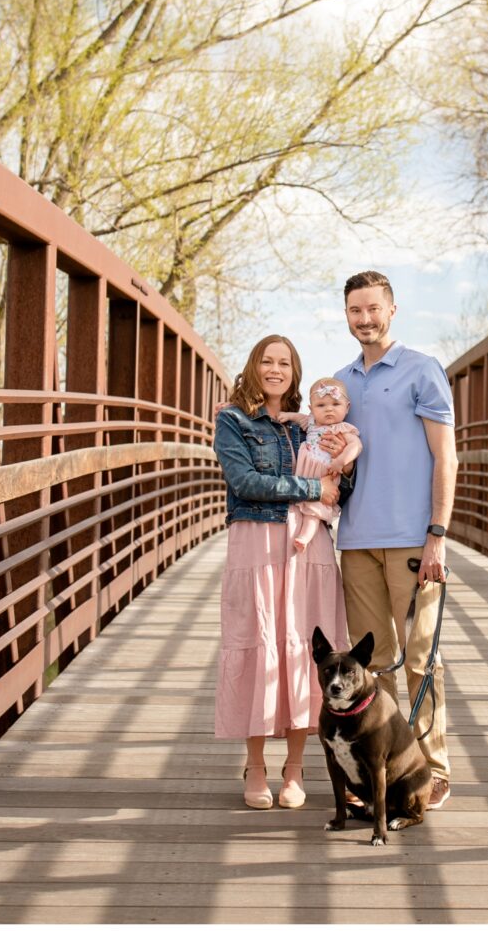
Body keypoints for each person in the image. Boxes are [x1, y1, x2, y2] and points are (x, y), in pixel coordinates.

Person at [322, 270, 459, 811]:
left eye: (373, 309)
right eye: (355, 311)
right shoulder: (340, 381)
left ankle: (434, 769)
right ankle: (383, 770)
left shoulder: (423, 371)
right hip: (355, 540)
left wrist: (437, 535)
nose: (365, 319)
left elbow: (445, 456)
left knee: (422, 657)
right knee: (372, 667)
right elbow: (315, 436)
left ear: (392, 309)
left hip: (412, 540)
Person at [212, 334, 347, 810]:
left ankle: (294, 767)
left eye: (284, 363)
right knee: (258, 642)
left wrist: (340, 467)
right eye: (267, 361)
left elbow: (339, 483)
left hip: (309, 549)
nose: (275, 370)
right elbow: (245, 481)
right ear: (253, 366)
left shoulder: (307, 426)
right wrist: (313, 485)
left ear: (295, 371)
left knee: (304, 649)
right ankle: (255, 767)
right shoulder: (231, 419)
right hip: (257, 541)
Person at [285, 377, 362, 553]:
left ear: (347, 407)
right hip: (304, 473)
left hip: (326, 473)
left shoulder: (342, 428)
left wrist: (340, 461)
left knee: (315, 508)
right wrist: (286, 415)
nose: (328, 409)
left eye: (335, 404)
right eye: (321, 405)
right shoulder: (311, 423)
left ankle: (305, 537)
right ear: (311, 410)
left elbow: (356, 446)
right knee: (301, 501)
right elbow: (298, 418)